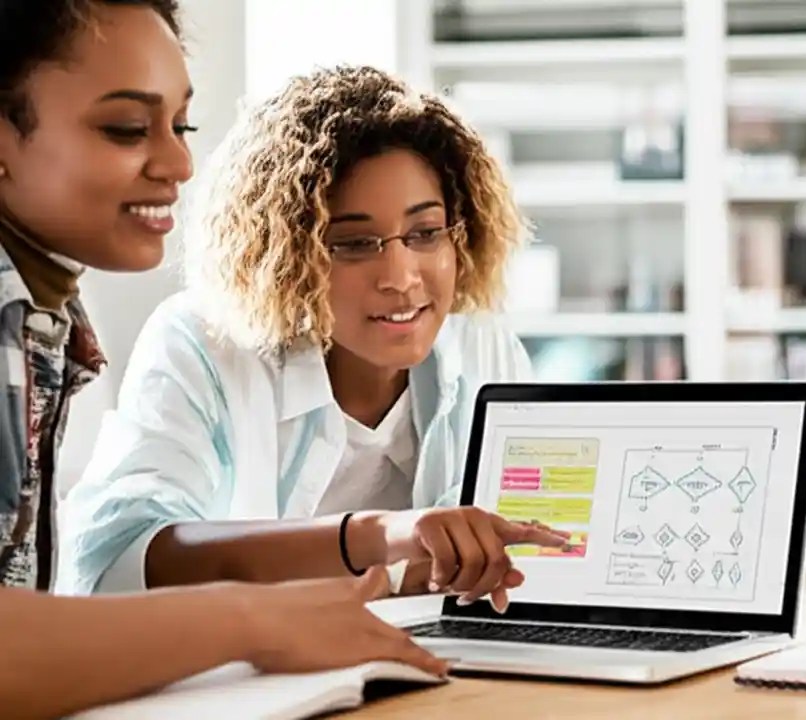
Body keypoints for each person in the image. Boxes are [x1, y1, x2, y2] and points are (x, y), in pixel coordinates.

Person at [0, 1, 448, 717]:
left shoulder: (40, 321)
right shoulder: (175, 339)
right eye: (124, 128)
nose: (181, 164)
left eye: (183, 126)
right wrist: (262, 619)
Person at [57, 64, 569, 609]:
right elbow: (114, 563)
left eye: (424, 233)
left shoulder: (480, 347)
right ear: (287, 257)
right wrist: (376, 539)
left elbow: (535, 557)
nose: (399, 277)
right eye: (352, 243)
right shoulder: (203, 343)